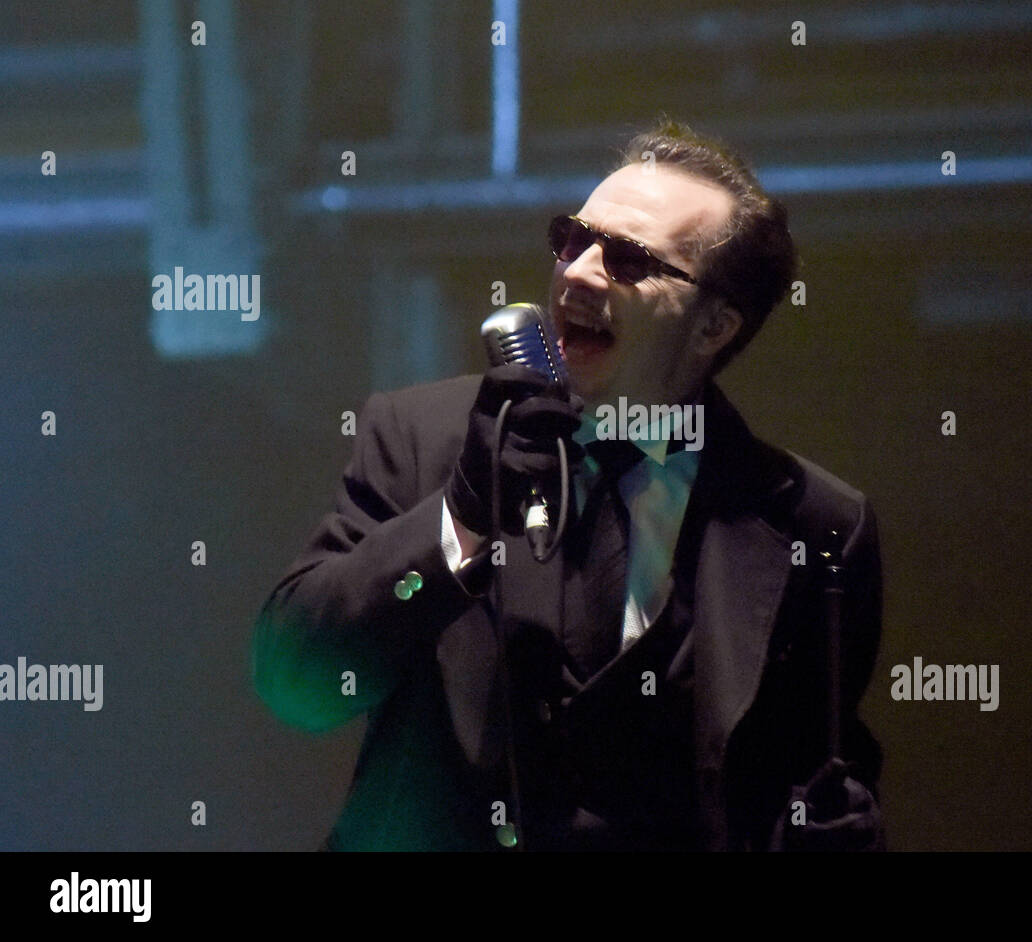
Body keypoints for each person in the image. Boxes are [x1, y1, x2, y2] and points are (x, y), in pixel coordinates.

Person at [253, 119, 886, 851]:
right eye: (571, 239)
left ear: (713, 325)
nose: (577, 271)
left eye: (626, 259)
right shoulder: (426, 436)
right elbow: (294, 680)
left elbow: (811, 776)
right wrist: (460, 516)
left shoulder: (813, 522)